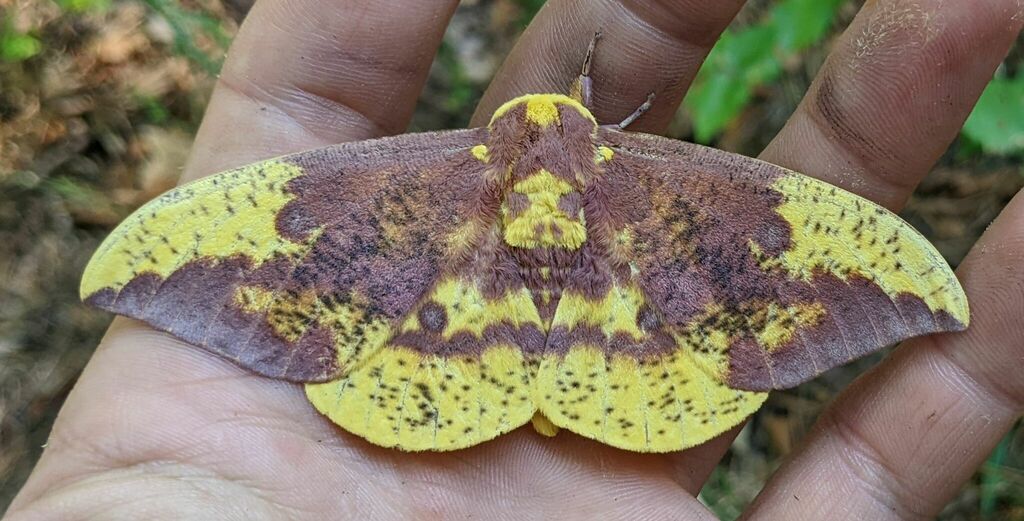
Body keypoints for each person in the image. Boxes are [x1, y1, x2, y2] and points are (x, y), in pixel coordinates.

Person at [6, 1, 1023, 519]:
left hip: (447, 327)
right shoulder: (673, 180)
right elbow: (214, 246)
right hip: (628, 338)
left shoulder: (404, 179)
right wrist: (162, 259)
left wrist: (896, 282)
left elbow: (848, 264)